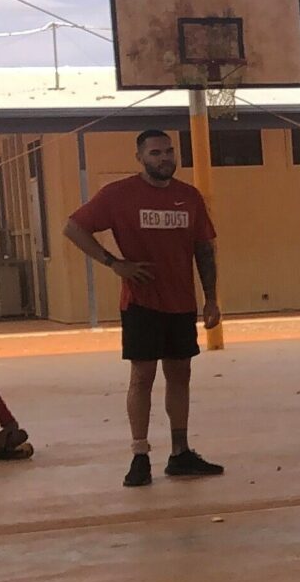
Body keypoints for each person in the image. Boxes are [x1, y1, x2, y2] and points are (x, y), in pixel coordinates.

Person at [63, 128, 226, 489]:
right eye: (155, 153)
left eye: (169, 151)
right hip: (141, 304)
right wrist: (113, 262)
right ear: (140, 158)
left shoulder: (190, 197)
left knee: (179, 375)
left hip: (181, 303)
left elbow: (204, 249)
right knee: (142, 377)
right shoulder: (118, 196)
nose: (164, 158)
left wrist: (210, 296)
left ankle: (180, 453)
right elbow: (74, 228)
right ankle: (140, 456)